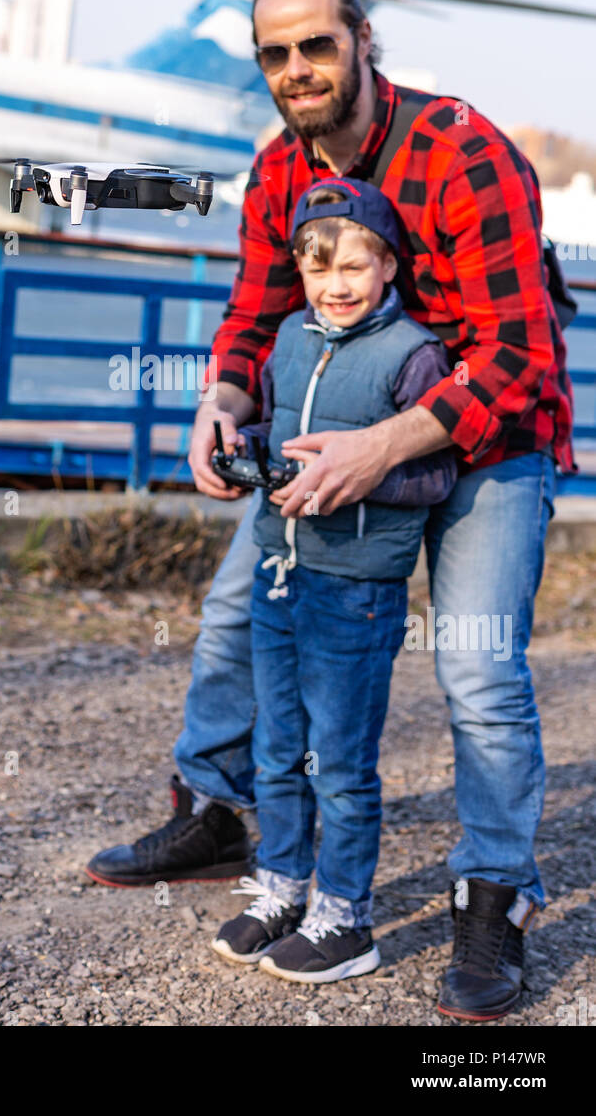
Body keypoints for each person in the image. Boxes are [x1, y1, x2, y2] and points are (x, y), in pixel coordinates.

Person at [86, 0, 575, 1022]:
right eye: (274, 52)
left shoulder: (461, 150)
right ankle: (219, 812)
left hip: (480, 441)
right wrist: (219, 404)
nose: (296, 68)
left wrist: (380, 446)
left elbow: (520, 357)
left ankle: (493, 889)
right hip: (344, 441)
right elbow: (254, 318)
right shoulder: (276, 173)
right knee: (229, 618)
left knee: (477, 668)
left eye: (315, 43)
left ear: (360, 38)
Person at [210, 178, 457, 983]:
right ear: (301, 274)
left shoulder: (414, 354)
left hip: (356, 592)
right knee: (278, 749)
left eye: (357, 265)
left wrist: (358, 478)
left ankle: (347, 918)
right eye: (320, 270)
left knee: (340, 762)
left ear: (389, 265)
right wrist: (244, 447)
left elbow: (436, 478)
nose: (339, 284)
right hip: (281, 572)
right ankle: (282, 886)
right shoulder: (286, 339)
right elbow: (276, 424)